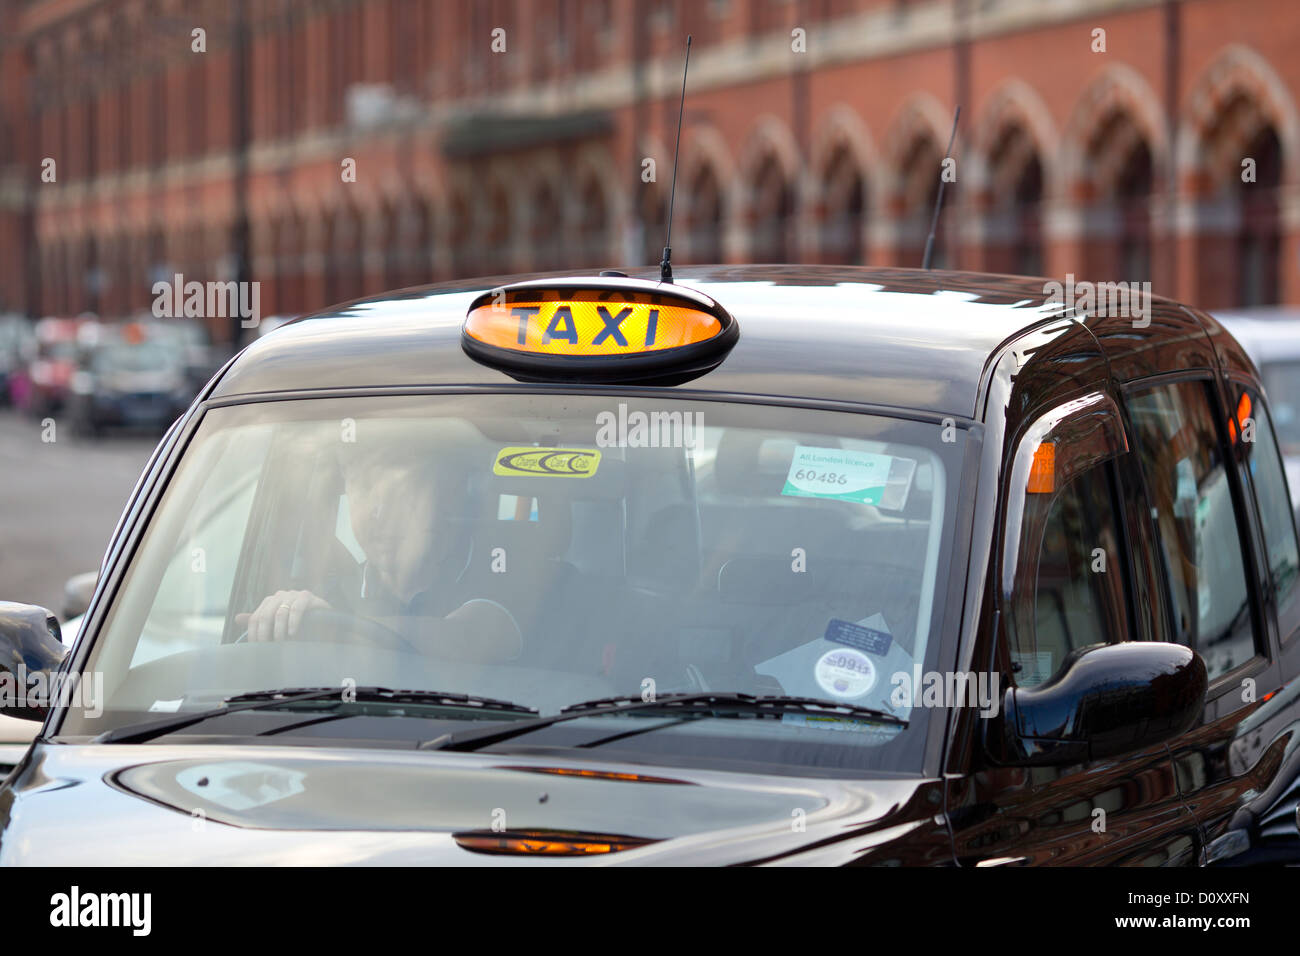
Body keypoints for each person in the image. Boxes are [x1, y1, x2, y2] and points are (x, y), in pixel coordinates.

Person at [236, 421, 522, 664]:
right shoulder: (333, 596)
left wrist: (330, 633)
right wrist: (284, 616)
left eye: (400, 489)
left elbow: (468, 638)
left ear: (451, 491)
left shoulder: (509, 573)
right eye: (363, 487)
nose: (379, 512)